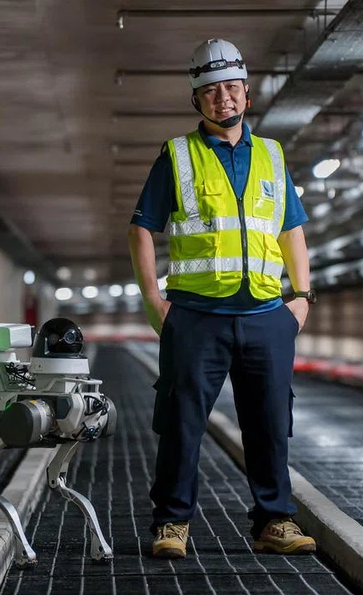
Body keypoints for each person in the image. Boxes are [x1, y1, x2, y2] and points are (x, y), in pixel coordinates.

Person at [128, 38, 317, 559]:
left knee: (270, 424)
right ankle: (172, 524)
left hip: (266, 316)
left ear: (247, 94)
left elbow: (291, 230)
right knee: (181, 423)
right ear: (197, 100)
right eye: (211, 91)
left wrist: (301, 298)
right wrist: (153, 300)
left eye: (231, 87)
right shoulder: (177, 155)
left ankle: (275, 521)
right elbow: (142, 228)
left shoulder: (272, 156)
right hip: (196, 317)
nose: (223, 98)